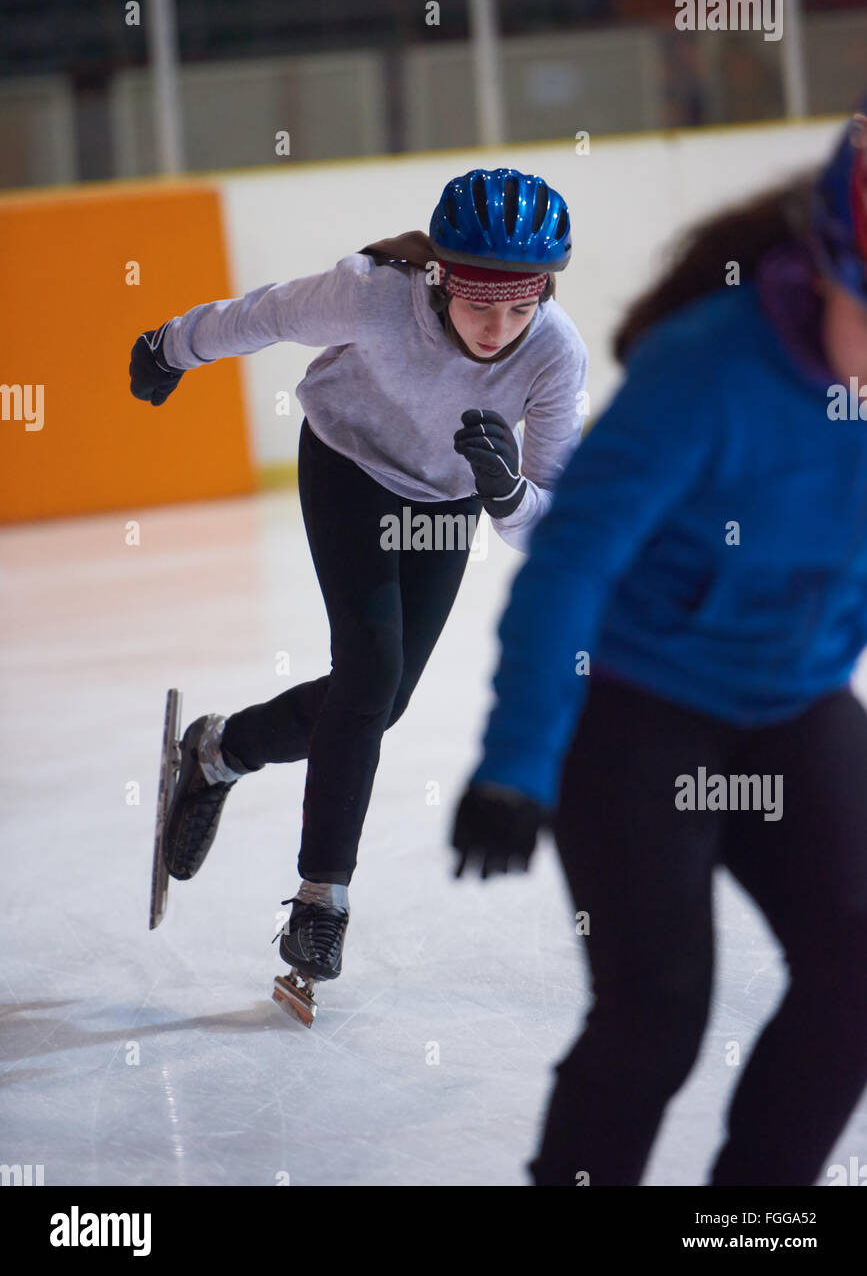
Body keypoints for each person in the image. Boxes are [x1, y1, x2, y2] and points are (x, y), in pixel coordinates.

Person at [450, 100, 867, 1186]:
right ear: (823, 265)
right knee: (658, 1010)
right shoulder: (706, 373)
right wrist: (517, 761)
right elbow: (569, 563)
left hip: (799, 700)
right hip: (640, 707)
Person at [129, 167, 586, 999]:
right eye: (482, 303)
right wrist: (172, 344)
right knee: (370, 674)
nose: (499, 328)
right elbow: (264, 314)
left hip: (447, 499)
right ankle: (320, 900)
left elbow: (556, 526)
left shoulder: (555, 353)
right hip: (347, 465)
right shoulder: (374, 295)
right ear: (442, 277)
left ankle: (218, 751)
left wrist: (510, 494)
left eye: (521, 307)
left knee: (382, 699)